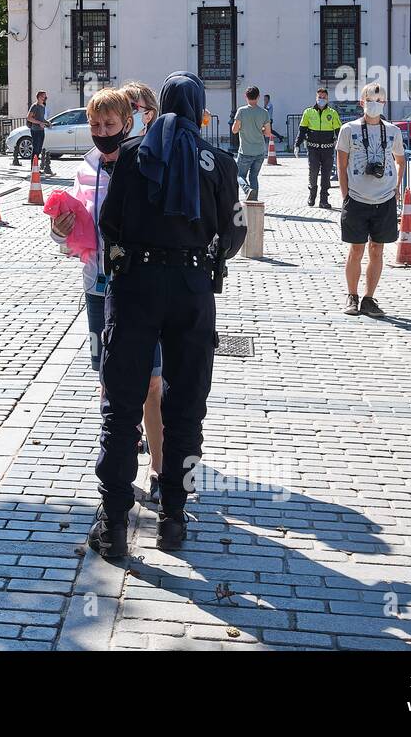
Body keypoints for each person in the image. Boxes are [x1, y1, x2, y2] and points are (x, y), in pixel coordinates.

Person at [91, 72, 247, 559]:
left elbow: (108, 221)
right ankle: (174, 518)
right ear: (200, 110)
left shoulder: (135, 156)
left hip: (136, 287)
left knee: (121, 410)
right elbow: (236, 230)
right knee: (185, 410)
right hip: (192, 290)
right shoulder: (219, 163)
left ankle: (114, 524)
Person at [50, 87, 166, 500]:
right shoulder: (85, 170)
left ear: (127, 124)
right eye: (96, 124)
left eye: (110, 124)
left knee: (152, 380)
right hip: (98, 287)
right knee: (108, 377)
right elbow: (71, 234)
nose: (101, 131)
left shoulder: (148, 166)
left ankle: (160, 467)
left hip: (143, 289)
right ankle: (120, 457)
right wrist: (59, 232)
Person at [337, 82, 406, 319]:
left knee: (377, 250)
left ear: (384, 103)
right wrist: (345, 195)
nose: (374, 104)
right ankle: (352, 296)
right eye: (370, 100)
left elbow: (400, 159)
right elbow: (342, 163)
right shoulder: (349, 129)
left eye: (378, 100)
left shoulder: (394, 131)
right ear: (361, 102)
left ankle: (369, 298)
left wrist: (395, 188)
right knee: (356, 250)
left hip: (384, 199)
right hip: (357, 199)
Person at [295, 87, 343, 209]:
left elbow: (339, 131)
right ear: (316, 98)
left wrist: (343, 145)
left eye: (324, 98)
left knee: (326, 175)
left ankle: (324, 200)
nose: (321, 100)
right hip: (313, 149)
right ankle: (312, 196)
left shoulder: (332, 113)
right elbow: (302, 130)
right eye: (319, 97)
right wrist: (297, 144)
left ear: (327, 99)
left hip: (327, 149)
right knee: (313, 172)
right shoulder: (308, 112)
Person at [231, 85, 271, 201]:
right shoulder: (264, 112)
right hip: (259, 151)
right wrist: (261, 129)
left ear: (246, 96)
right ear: (258, 97)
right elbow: (268, 133)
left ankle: (247, 190)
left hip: (245, 151)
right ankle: (254, 203)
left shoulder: (241, 111)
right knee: (254, 177)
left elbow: (234, 130)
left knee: (239, 175)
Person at [26, 91, 52, 173]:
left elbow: (41, 119)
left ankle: (36, 167)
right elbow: (29, 118)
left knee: (39, 149)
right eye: (42, 96)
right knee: (36, 149)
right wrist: (40, 123)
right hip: (35, 130)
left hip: (41, 130)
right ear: (38, 97)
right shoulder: (35, 106)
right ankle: (33, 168)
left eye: (45, 96)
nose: (44, 98)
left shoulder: (43, 106)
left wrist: (47, 122)